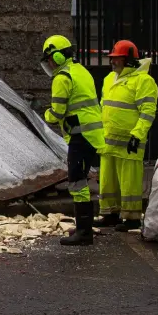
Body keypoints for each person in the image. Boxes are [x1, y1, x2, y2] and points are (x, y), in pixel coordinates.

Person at [40, 35, 104, 246]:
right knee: (80, 178)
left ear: (58, 57)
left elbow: (57, 113)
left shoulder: (62, 78)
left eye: (50, 58)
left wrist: (45, 114)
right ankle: (83, 226)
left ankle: (84, 232)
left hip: (81, 135)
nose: (50, 63)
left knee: (77, 181)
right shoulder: (80, 71)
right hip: (91, 134)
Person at [97, 40, 156, 232]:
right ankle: (110, 214)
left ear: (128, 60)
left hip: (130, 142)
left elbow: (148, 112)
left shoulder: (143, 81)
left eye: (117, 58)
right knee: (108, 181)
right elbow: (103, 107)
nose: (112, 62)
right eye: (112, 58)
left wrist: (137, 135)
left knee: (129, 182)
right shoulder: (109, 79)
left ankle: (131, 218)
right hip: (108, 141)